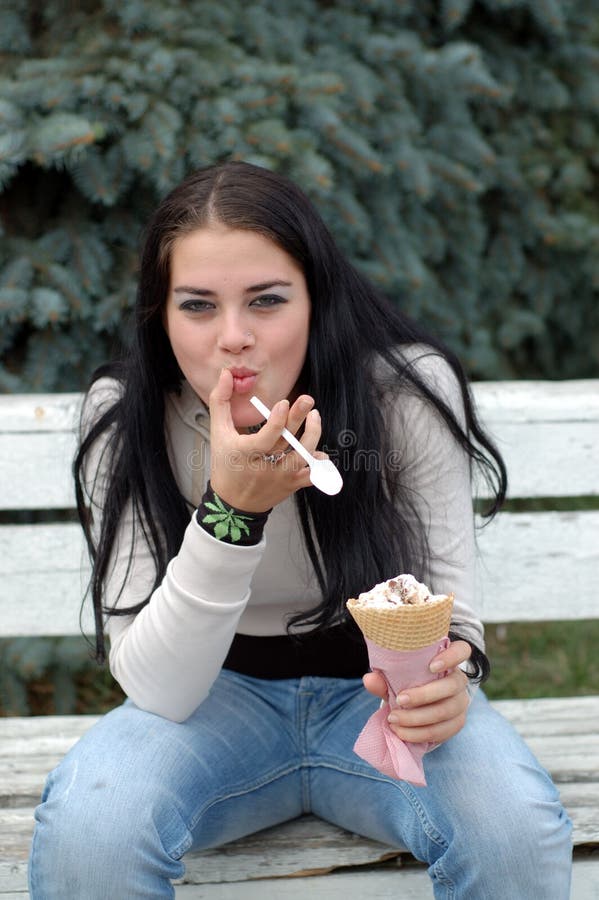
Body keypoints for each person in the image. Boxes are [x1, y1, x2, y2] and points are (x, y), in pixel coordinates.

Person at [28, 161, 572, 898]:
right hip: (211, 702)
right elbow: (158, 689)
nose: (233, 338)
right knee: (92, 835)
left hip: (378, 696)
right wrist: (233, 509)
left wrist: (454, 675)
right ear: (159, 314)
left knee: (512, 831)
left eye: (267, 300)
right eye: (196, 305)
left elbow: (455, 618)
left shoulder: (402, 394)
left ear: (316, 299)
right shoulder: (126, 414)